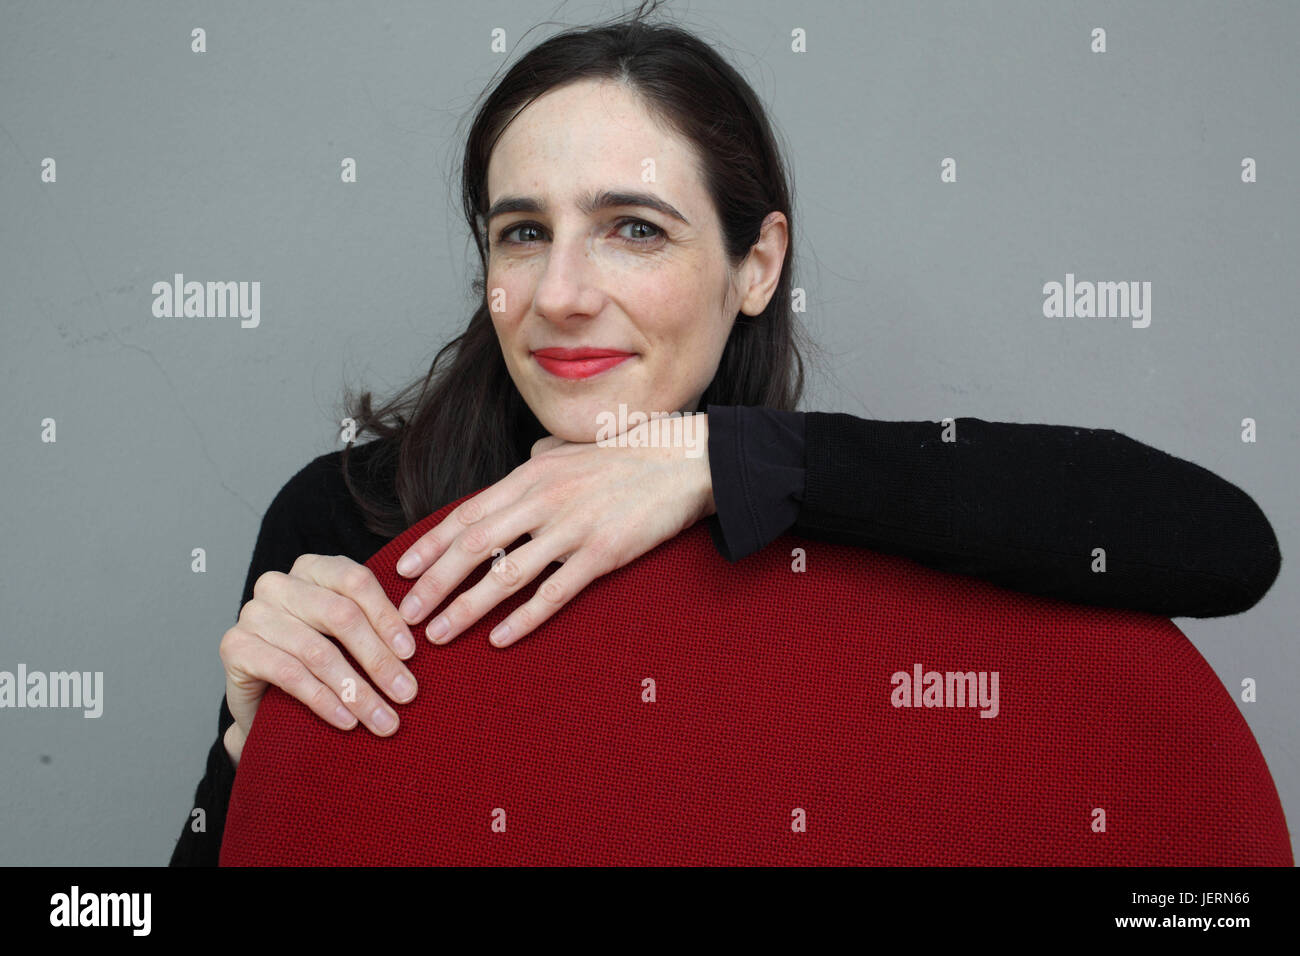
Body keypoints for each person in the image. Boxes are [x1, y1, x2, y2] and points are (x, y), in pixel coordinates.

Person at [169, 5, 1281, 866]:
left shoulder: (825, 519)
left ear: (757, 265)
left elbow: (1226, 544)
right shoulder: (348, 517)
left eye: (633, 229)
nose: (561, 293)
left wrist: (723, 462)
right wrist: (256, 767)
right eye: (523, 233)